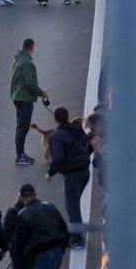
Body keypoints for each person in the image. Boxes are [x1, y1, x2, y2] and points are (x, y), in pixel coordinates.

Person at [45, 107, 92, 250]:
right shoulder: (77, 129)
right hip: (85, 171)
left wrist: (50, 173)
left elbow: (58, 158)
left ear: (55, 119)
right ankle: (77, 235)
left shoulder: (57, 136)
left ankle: (77, 240)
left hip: (72, 174)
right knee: (73, 205)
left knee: (73, 207)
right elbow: (85, 142)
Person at [4, 183, 69, 269]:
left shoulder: (23, 214)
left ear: (21, 197)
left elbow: (20, 240)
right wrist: (62, 248)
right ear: (35, 194)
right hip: (57, 251)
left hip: (42, 253)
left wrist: (17, 262)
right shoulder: (50, 206)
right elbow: (65, 229)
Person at [11, 39, 49, 165]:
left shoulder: (18, 58)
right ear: (32, 47)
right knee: (23, 127)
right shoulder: (27, 62)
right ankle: (20, 155)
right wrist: (42, 93)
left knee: (20, 126)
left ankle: (20, 153)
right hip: (24, 98)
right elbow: (30, 83)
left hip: (17, 96)